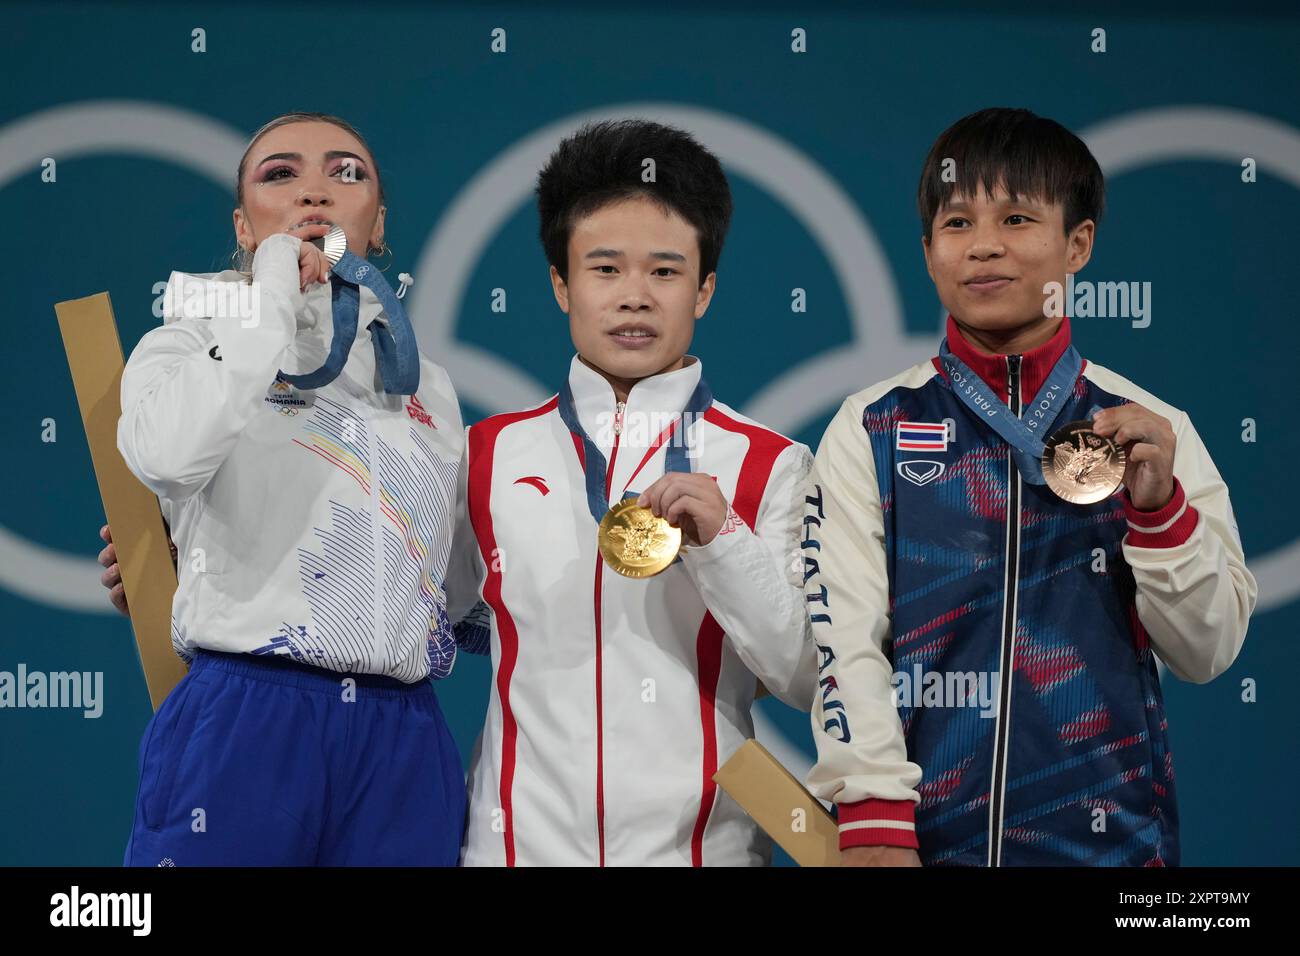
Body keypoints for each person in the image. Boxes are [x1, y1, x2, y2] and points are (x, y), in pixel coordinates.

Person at [803, 107, 1257, 867]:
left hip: (1115, 849)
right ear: (926, 251)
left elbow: (1208, 649)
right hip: (919, 845)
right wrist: (872, 812)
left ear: (1077, 243)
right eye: (956, 223)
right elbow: (843, 637)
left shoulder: (1149, 429)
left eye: (1016, 218)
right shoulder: (873, 426)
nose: (983, 246)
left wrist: (1159, 514)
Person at [446, 119, 818, 866]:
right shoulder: (482, 457)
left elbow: (808, 674)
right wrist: (197, 564)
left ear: (705, 290)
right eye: (606, 269)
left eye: (667, 272)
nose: (635, 298)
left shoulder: (769, 464)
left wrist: (725, 545)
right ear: (561, 284)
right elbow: (400, 620)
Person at [109, 111, 466, 866]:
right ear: (244, 225)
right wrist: (270, 287)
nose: (315, 192)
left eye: (346, 173)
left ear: (379, 225)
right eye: (281, 175)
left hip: (404, 737)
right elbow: (168, 459)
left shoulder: (423, 383)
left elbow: (453, 585)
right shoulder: (182, 341)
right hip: (247, 716)